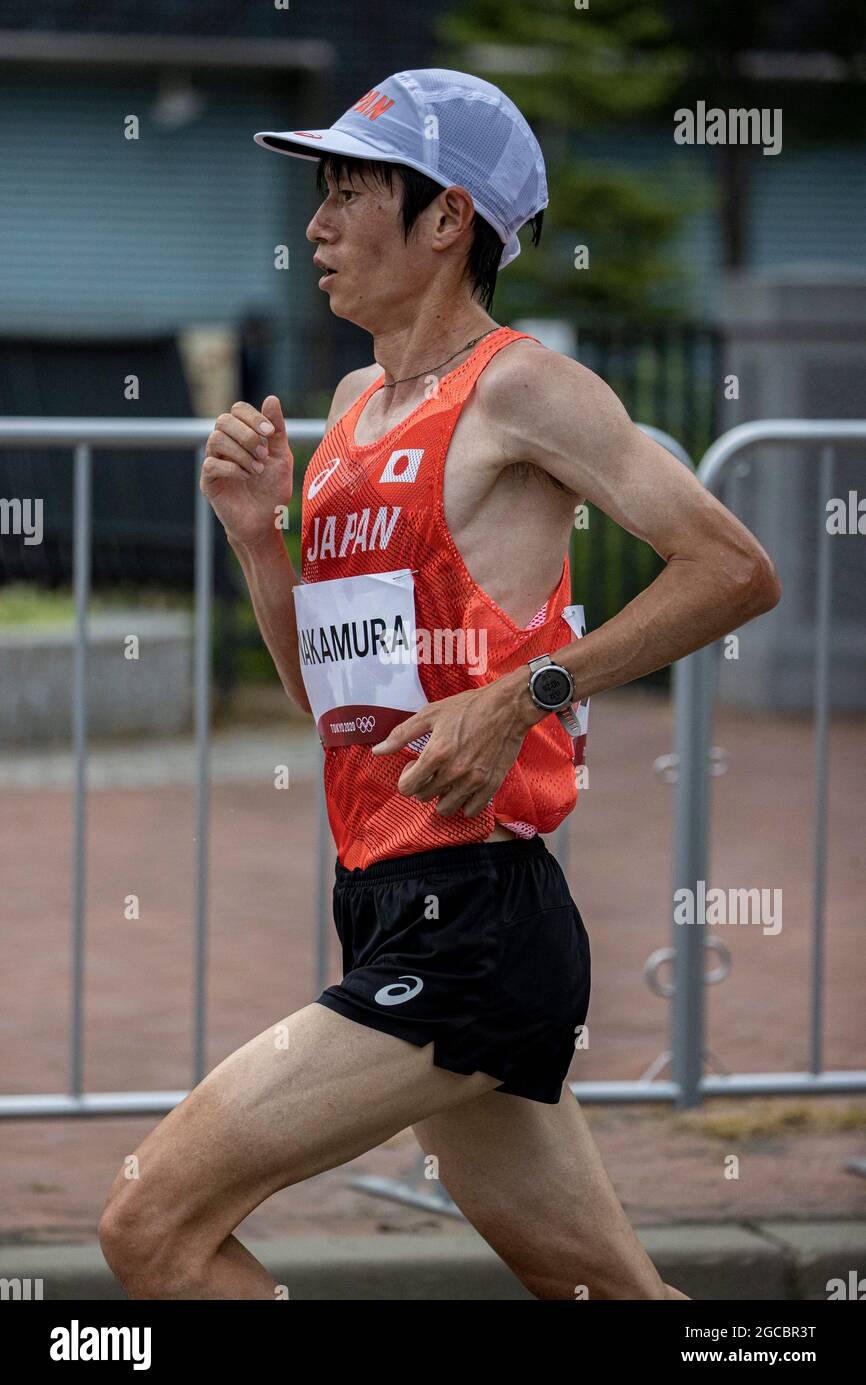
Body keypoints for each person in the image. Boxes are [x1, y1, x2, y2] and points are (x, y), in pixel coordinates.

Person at [99, 69, 780, 1301]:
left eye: (345, 193)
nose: (312, 227)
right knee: (612, 1297)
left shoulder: (524, 389)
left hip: (473, 922)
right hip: (380, 891)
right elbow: (331, 705)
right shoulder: (356, 406)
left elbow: (733, 569)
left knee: (149, 1226)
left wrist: (529, 689)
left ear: (446, 218)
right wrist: (261, 537)